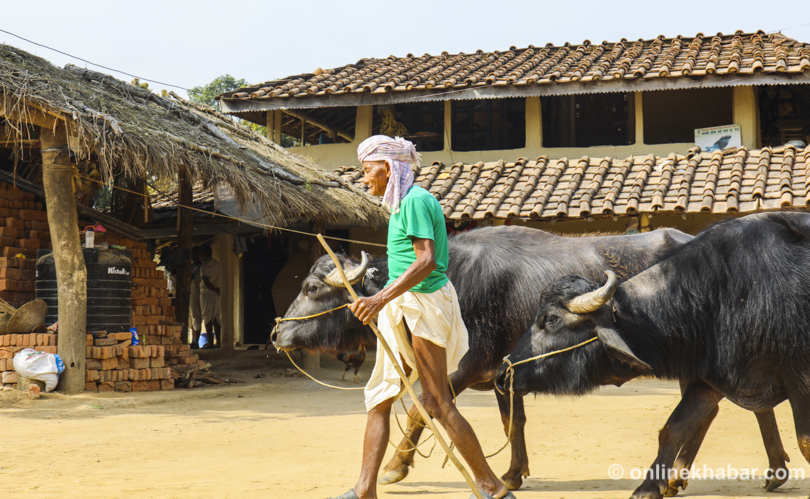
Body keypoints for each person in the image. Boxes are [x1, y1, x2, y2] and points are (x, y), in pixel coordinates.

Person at [332, 136, 514, 499]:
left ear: (387, 167)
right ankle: (364, 489)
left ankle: (493, 487)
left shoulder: (414, 201)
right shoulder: (403, 202)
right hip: (405, 304)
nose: (364, 178)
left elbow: (426, 260)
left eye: (367, 171)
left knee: (437, 401)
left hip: (423, 303)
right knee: (380, 397)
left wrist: (378, 298)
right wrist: (384, 302)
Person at [198, 244, 222, 349]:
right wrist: (218, 290)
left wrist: (215, 289)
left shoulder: (204, 266)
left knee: (207, 318)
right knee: (216, 318)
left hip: (208, 294)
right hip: (217, 294)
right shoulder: (217, 264)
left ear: (204, 254)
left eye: (200, 254)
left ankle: (210, 343)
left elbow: (206, 282)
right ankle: (219, 342)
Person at [189, 246, 203, 348]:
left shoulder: (202, 267)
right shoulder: (191, 267)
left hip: (198, 294)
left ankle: (196, 341)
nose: (193, 257)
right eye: (192, 255)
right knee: (192, 318)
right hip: (191, 294)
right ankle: (193, 340)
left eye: (196, 255)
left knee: (197, 316)